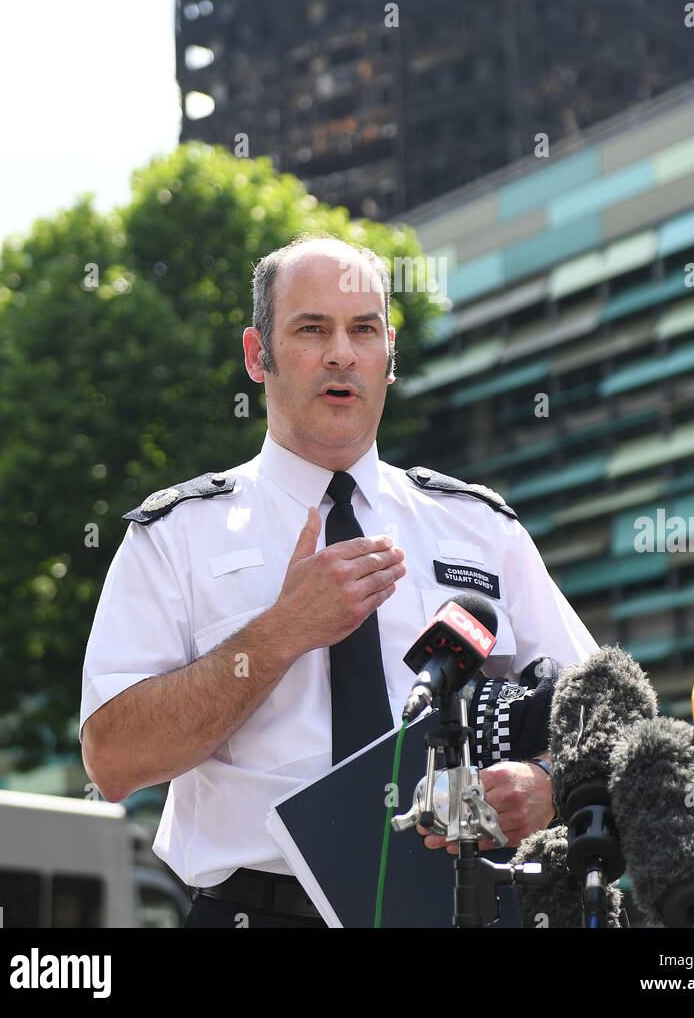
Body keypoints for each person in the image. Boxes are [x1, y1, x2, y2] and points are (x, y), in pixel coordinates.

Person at [80, 233, 597, 927]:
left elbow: (605, 713)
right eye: (310, 329)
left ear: (390, 356)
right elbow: (113, 761)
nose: (341, 354)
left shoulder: (479, 528)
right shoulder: (176, 536)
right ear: (257, 355)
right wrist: (281, 632)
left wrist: (550, 786)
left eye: (363, 330)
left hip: (461, 906)